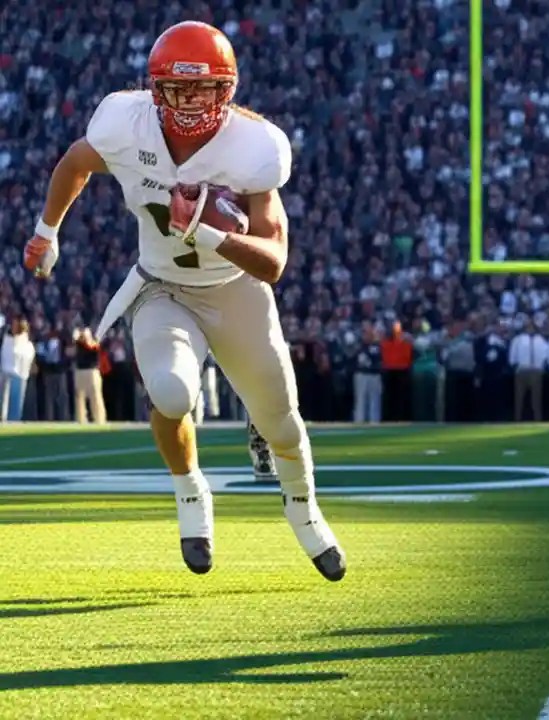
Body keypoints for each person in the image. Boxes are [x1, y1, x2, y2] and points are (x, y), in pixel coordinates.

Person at [22, 21, 344, 581]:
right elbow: (75, 164)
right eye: (177, 89)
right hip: (161, 286)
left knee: (283, 422)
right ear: (154, 89)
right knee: (172, 393)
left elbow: (273, 263)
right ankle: (191, 491)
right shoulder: (126, 124)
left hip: (235, 289)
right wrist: (46, 233)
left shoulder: (254, 148)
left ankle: (303, 508)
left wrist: (209, 230)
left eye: (203, 89)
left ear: (228, 89)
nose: (191, 102)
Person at [1, 318, 37, 423]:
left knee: (15, 404)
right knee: (4, 402)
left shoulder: (26, 344)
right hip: (5, 373)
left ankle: (13, 422)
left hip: (19, 375)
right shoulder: (6, 339)